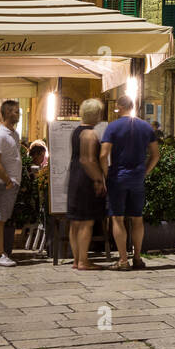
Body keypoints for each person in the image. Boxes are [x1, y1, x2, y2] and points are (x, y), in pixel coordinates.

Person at [99, 95, 160, 269]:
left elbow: (103, 155)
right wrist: (145, 172)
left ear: (118, 107)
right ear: (133, 106)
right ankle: (138, 257)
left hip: (118, 177)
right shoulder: (146, 127)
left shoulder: (113, 127)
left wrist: (106, 174)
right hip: (137, 178)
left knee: (118, 219)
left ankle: (123, 260)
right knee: (137, 219)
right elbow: (155, 155)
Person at [67, 99, 107, 270]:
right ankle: (84, 260)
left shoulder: (76, 131)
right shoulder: (90, 134)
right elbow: (88, 160)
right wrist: (99, 179)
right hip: (85, 179)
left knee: (75, 221)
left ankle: (76, 260)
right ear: (96, 114)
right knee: (87, 222)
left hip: (74, 176)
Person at [0, 100, 24, 267]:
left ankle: (0, 252)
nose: (18, 114)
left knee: (3, 218)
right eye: (15, 111)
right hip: (4, 183)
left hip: (11, 182)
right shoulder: (0, 135)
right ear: (7, 112)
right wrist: (8, 180)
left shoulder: (14, 134)